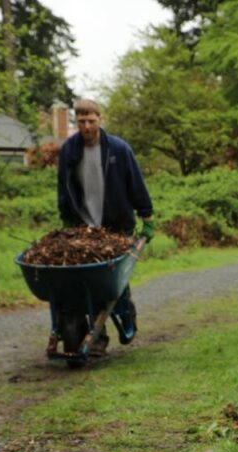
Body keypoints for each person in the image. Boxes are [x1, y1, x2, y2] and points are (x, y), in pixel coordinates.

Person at [56, 98, 154, 354]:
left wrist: (147, 217)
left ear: (100, 119)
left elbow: (136, 183)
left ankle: (124, 309)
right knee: (84, 282)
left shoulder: (118, 149)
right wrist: (67, 218)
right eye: (81, 122)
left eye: (91, 121)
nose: (87, 126)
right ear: (76, 122)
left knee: (111, 282)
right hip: (84, 226)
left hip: (116, 224)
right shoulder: (69, 150)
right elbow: (63, 186)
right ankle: (97, 335)